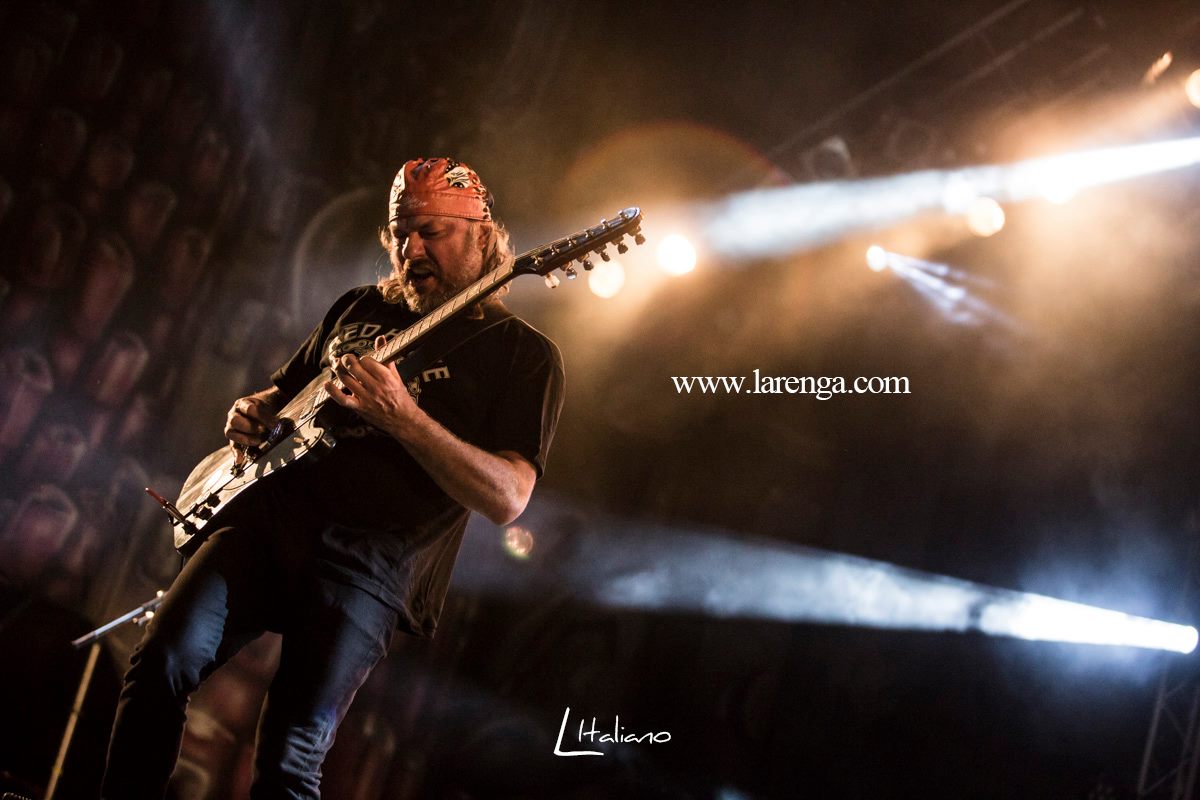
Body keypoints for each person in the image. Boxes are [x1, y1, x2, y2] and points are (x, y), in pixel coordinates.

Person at [101, 157, 565, 798]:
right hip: (263, 526)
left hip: (366, 567)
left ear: (482, 234)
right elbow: (284, 395)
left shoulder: (523, 355)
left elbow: (509, 497)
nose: (411, 250)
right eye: (401, 233)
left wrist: (403, 417)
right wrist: (253, 409)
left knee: (289, 754)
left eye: (431, 232)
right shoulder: (361, 305)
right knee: (160, 660)